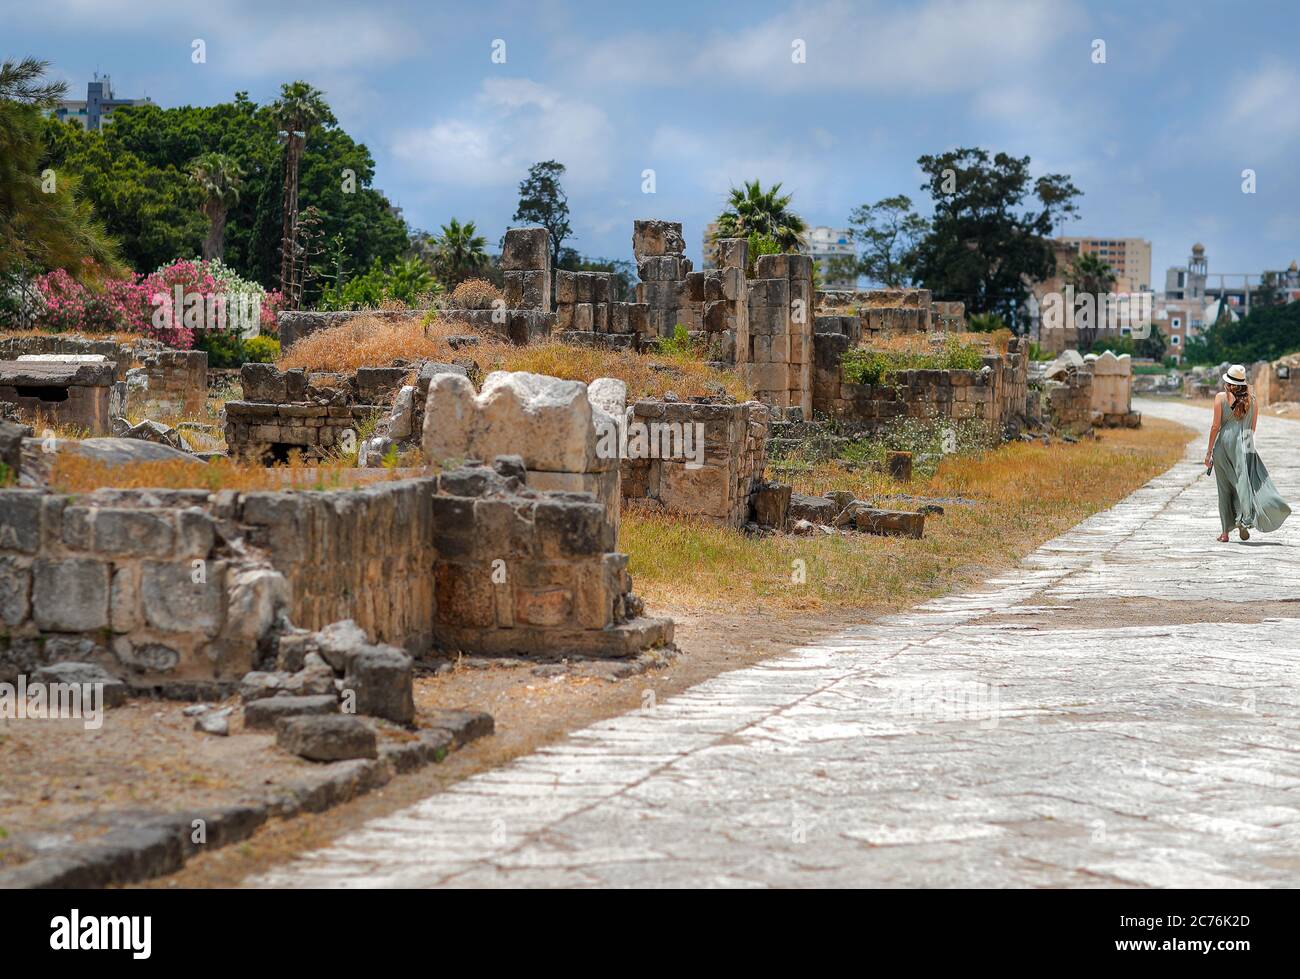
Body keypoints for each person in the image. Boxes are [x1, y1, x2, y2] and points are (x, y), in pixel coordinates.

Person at [1203, 364, 1291, 542]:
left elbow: (1215, 426)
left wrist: (1208, 452)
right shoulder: (1253, 400)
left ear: (1228, 382)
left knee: (1224, 487)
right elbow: (1252, 428)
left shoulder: (1220, 397)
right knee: (1246, 481)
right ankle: (1244, 519)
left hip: (1224, 445)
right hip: (1246, 442)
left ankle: (1225, 533)